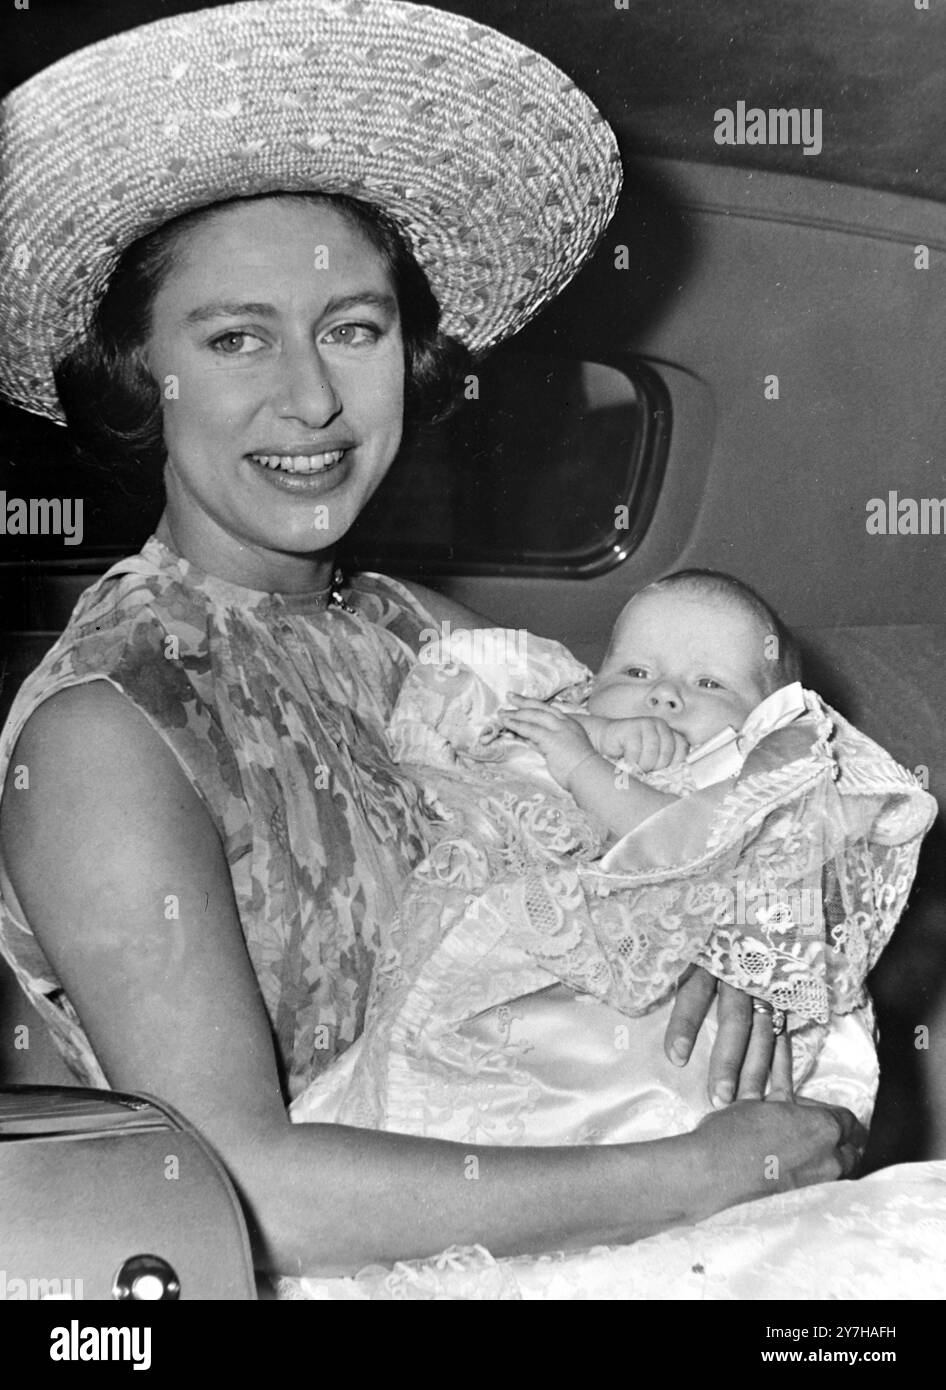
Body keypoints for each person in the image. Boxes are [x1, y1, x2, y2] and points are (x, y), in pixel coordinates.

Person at [0, 0, 865, 1284]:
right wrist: (704, 1171)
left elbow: (671, 827)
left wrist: (731, 952)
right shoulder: (106, 730)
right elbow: (239, 1191)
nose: (309, 399)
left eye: (351, 328)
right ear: (141, 375)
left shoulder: (432, 637)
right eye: (236, 337)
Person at [288, 569, 933, 1151]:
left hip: (660, 1024)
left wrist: (587, 767)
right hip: (518, 977)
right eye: (635, 673)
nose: (665, 696)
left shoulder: (746, 777)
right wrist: (585, 735)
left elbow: (682, 847)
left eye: (708, 683)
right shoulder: (568, 722)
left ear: (765, 720)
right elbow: (469, 734)